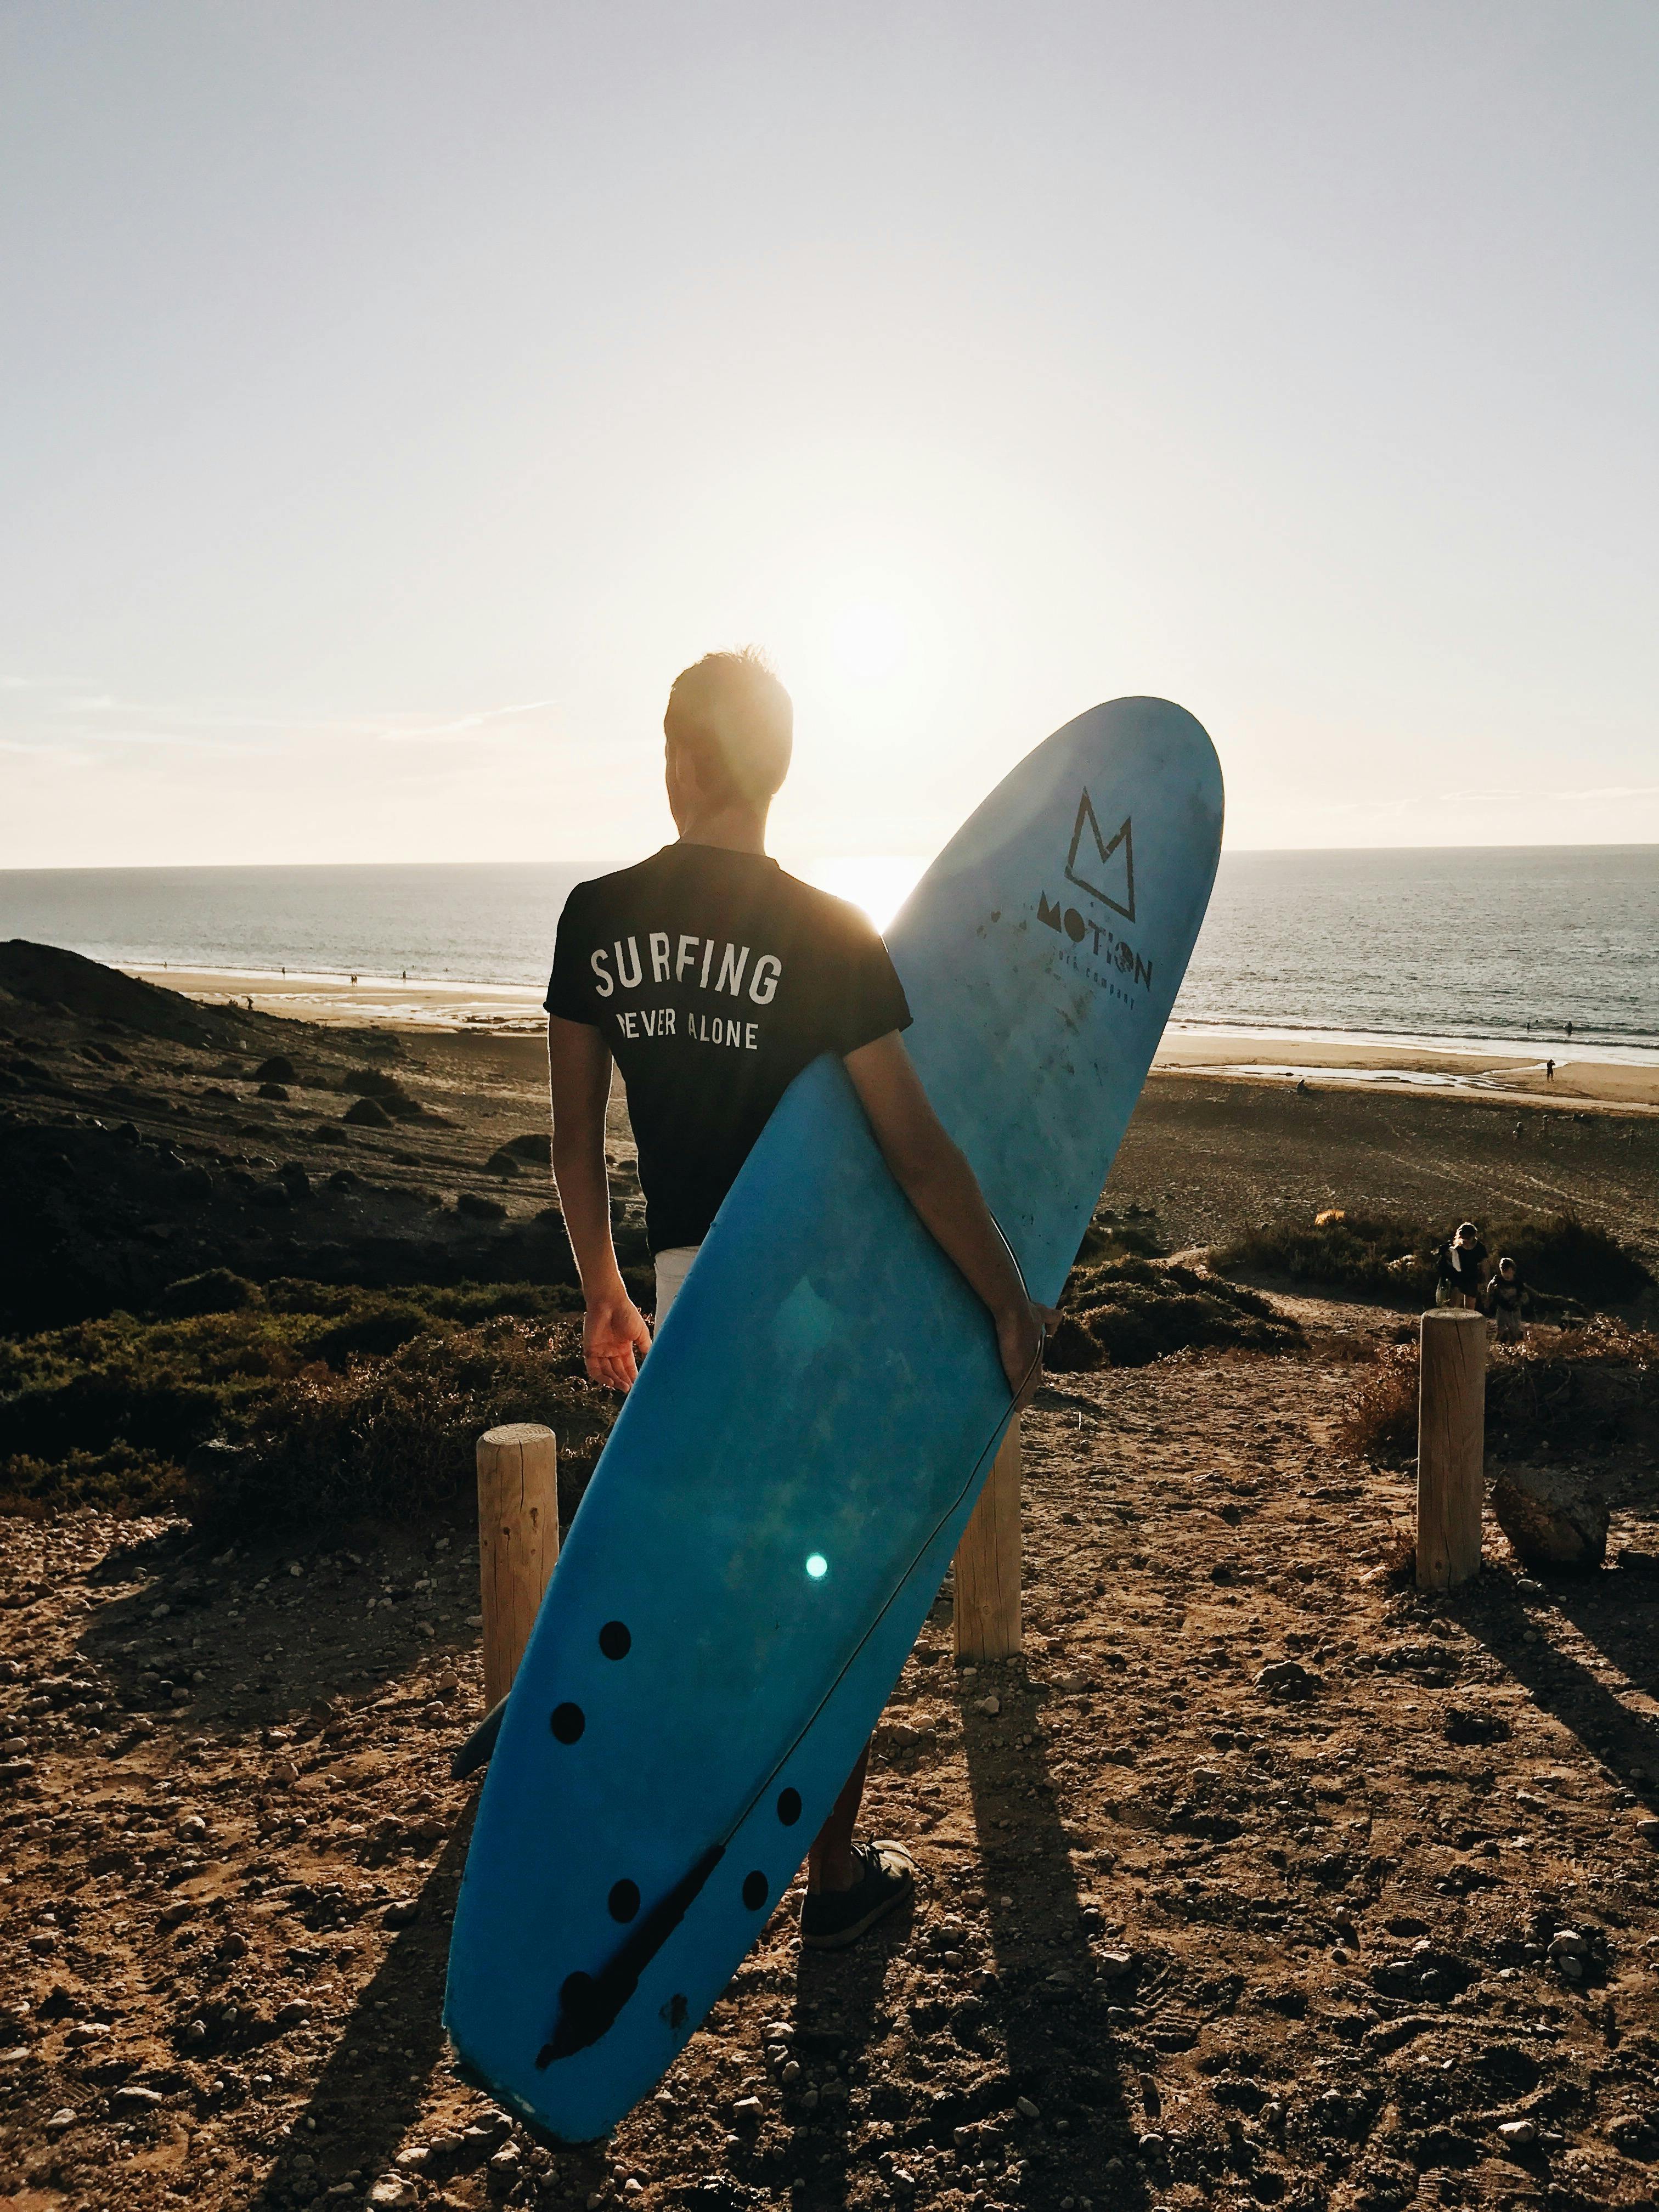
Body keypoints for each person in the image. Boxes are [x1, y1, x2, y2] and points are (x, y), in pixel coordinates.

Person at [544, 647, 1049, 1951]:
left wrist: (605, 1289)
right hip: (815, 1321)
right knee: (824, 1600)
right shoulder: (829, 934)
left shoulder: (596, 917)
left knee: (686, 1597)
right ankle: (831, 1881)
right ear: (773, 769)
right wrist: (1004, 1296)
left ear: (687, 760)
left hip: (685, 1307)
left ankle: (646, 1875)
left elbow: (574, 1136)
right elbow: (917, 1152)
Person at [1435, 1220, 1488, 1309]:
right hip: (1457, 1277)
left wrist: (1486, 1281)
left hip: (1472, 1278)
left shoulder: (1480, 1248)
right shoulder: (1456, 1247)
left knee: (1470, 1308)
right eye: (1463, 1238)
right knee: (1454, 1305)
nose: (1465, 1241)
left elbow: (1485, 1265)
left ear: (1473, 1237)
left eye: (1468, 1238)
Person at [1487, 1255, 1531, 1341]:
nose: (1506, 1274)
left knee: (1514, 1331)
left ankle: (1513, 1347)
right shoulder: (1498, 1280)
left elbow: (1525, 1297)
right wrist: (1490, 1297)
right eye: (1504, 1271)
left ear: (1513, 1271)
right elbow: (1489, 1291)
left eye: (1508, 1271)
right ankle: (1499, 1347)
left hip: (1514, 1310)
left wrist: (1519, 1302)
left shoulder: (1518, 1283)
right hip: (1502, 1308)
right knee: (1501, 1330)